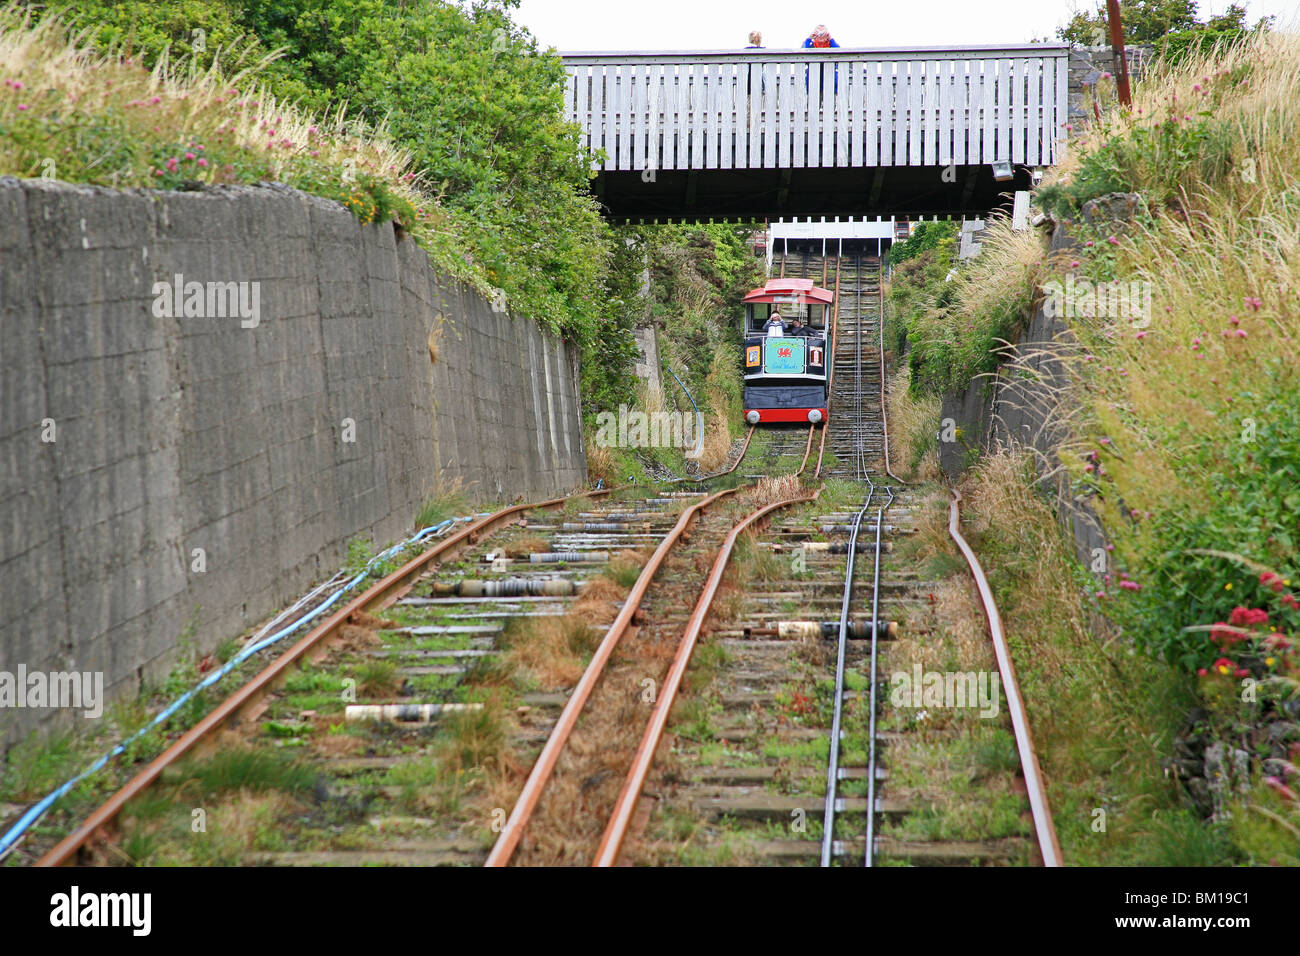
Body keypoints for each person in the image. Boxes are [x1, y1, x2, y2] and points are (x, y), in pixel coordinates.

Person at [802, 25, 840, 94]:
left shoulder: (831, 46)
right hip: (813, 80)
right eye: (819, 32)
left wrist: (831, 39)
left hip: (830, 80)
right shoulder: (811, 46)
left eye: (823, 32)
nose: (821, 35)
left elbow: (840, 52)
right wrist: (809, 38)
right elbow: (802, 52)